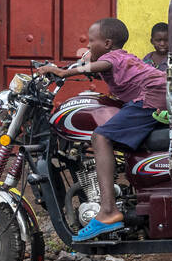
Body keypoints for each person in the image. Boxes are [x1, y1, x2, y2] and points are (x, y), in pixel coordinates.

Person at [37, 17, 165, 242]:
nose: (87, 46)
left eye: (91, 42)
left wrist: (64, 72)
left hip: (151, 98)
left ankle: (108, 211)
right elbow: (102, 69)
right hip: (160, 94)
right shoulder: (122, 57)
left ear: (106, 43)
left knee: (101, 136)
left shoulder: (112, 57)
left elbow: (102, 65)